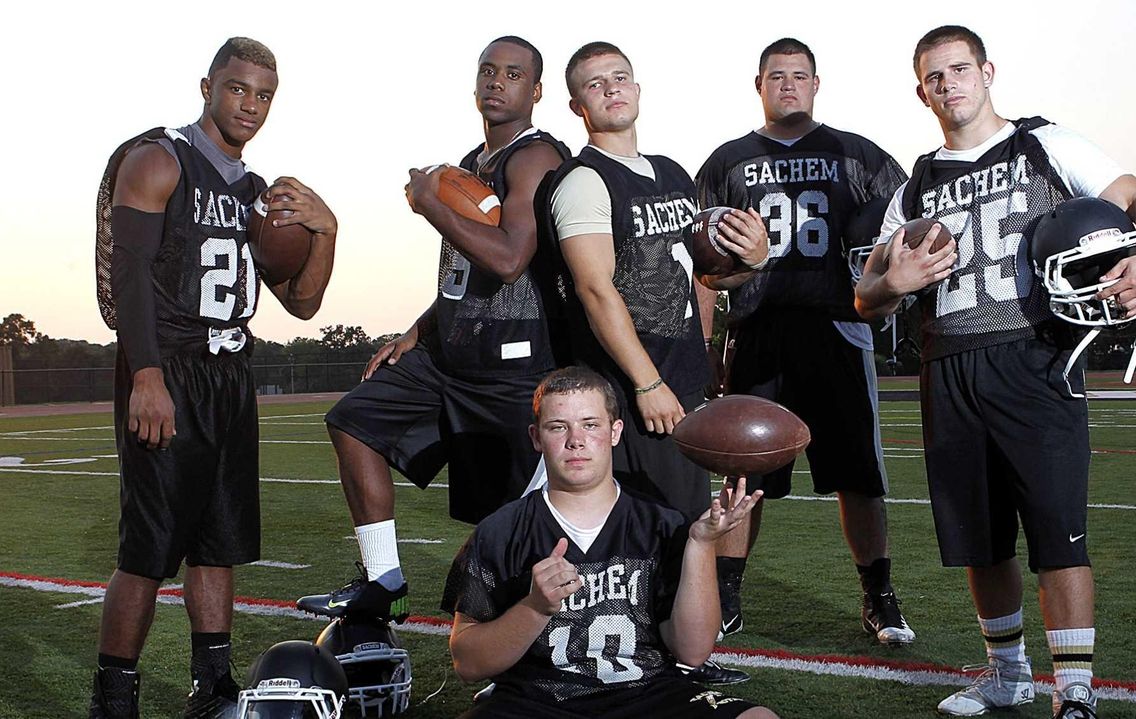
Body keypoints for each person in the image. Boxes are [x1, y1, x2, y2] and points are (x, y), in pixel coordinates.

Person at [855, 25, 1136, 719]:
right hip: (949, 365)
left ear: (987, 71)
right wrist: (894, 281)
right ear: (922, 91)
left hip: (1037, 357)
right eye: (935, 76)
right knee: (982, 537)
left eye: (960, 69)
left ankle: (1076, 690)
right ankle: (1006, 674)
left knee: (1058, 530)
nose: (950, 84)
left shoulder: (1044, 143)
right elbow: (865, 293)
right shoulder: (915, 186)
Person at [90, 37, 338, 718]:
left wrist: (327, 232)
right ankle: (114, 696)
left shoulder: (257, 194)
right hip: (167, 366)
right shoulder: (159, 158)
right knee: (148, 549)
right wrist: (145, 374)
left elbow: (303, 303)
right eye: (237, 89)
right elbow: (132, 275)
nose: (250, 105)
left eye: (263, 95)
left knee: (217, 540)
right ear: (208, 86)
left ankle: (212, 685)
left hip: (231, 373)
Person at [295, 37, 570, 624]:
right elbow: (464, 277)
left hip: (515, 369)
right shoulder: (472, 164)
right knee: (354, 421)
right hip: (450, 354)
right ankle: (383, 578)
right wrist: (420, 329)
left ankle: (524, 659)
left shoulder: (537, 157)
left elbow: (510, 258)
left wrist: (428, 202)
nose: (497, 82)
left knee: (507, 538)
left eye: (513, 74)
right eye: (488, 71)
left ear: (536, 91)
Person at [541, 41, 766, 684]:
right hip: (631, 387)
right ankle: (647, 666)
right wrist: (647, 381)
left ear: (637, 87)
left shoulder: (671, 173)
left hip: (681, 377)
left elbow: (707, 276)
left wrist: (755, 260)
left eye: (620, 78)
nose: (611, 90)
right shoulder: (584, 180)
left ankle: (674, 660)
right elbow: (594, 289)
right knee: (645, 532)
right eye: (594, 84)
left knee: (683, 525)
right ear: (577, 103)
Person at [695, 37, 915, 646]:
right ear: (758, 84)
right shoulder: (727, 162)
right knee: (744, 471)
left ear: (817, 84)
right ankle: (725, 592)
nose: (788, 85)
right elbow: (703, 263)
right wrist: (704, 343)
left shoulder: (859, 155)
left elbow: (903, 231)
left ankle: (879, 593)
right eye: (776, 76)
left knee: (858, 474)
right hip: (759, 328)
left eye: (799, 75)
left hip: (837, 326)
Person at [441, 366, 778, 719]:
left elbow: (692, 652)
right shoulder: (502, 531)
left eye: (590, 424)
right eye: (558, 427)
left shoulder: (662, 524)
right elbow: (467, 662)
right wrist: (535, 607)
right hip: (537, 699)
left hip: (645, 693)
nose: (576, 440)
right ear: (536, 436)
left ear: (615, 431)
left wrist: (701, 544)